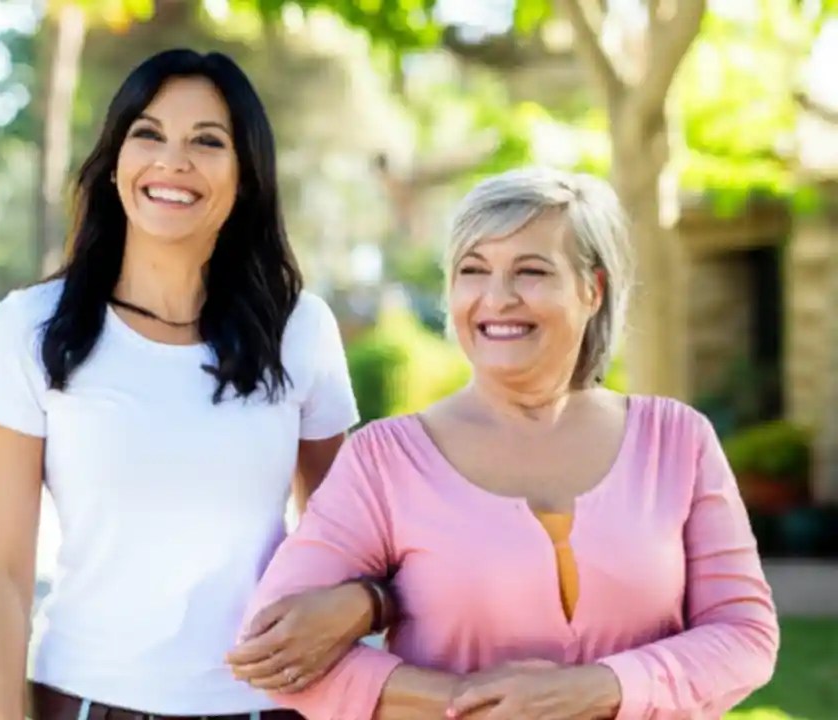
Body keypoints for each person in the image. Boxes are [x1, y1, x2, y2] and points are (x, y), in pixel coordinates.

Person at [230, 166, 780, 719]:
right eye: (473, 270)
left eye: (531, 271)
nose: (497, 297)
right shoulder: (385, 461)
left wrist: (601, 687)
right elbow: (269, 647)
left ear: (593, 289)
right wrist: (464, 701)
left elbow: (745, 635)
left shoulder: (677, 441)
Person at [0, 49, 396, 720]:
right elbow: (0, 572)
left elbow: (350, 544)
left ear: (246, 176)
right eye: (148, 134)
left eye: (207, 141)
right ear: (114, 162)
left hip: (267, 704)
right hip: (85, 700)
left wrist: (356, 608)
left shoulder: (298, 328)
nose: (173, 161)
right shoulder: (29, 327)